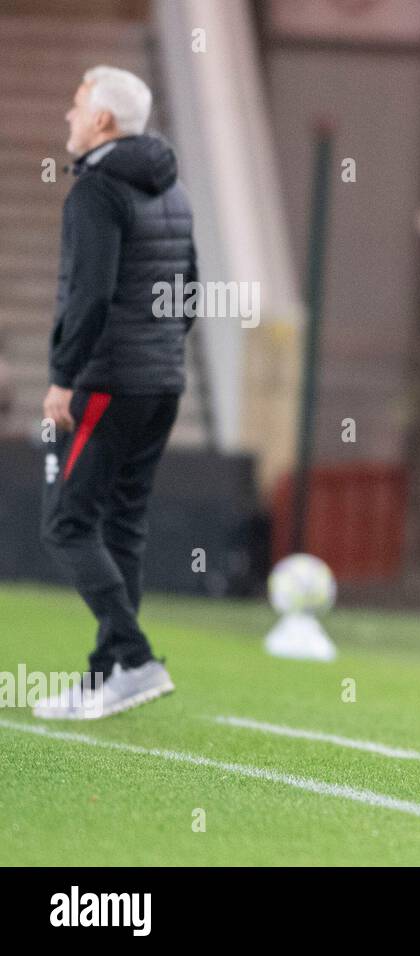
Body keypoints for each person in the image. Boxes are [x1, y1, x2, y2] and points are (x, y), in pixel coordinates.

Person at [32, 66, 197, 719]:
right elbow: (190, 289)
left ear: (103, 122)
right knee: (123, 525)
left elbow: (92, 295)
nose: (68, 118)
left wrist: (63, 377)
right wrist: (160, 353)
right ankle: (108, 676)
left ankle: (134, 657)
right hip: (162, 381)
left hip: (108, 382)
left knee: (67, 523)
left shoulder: (97, 191)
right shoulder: (174, 189)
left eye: (76, 107)